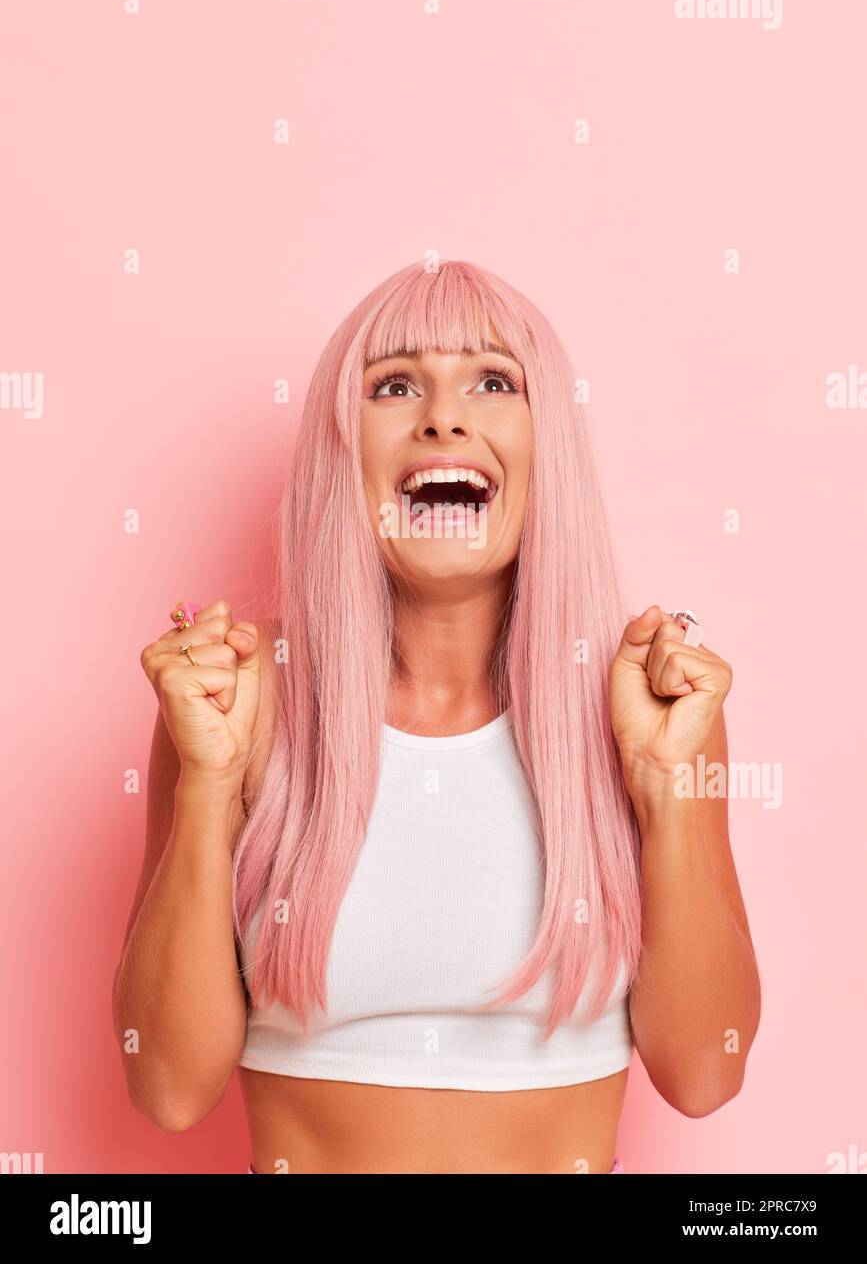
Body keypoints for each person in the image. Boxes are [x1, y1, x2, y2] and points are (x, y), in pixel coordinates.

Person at [114, 258, 760, 1174]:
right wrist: (210, 784)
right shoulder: (241, 699)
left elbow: (704, 1074)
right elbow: (169, 1088)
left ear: (548, 446)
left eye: (493, 381)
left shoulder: (644, 706)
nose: (443, 416)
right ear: (344, 448)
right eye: (394, 385)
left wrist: (663, 794)